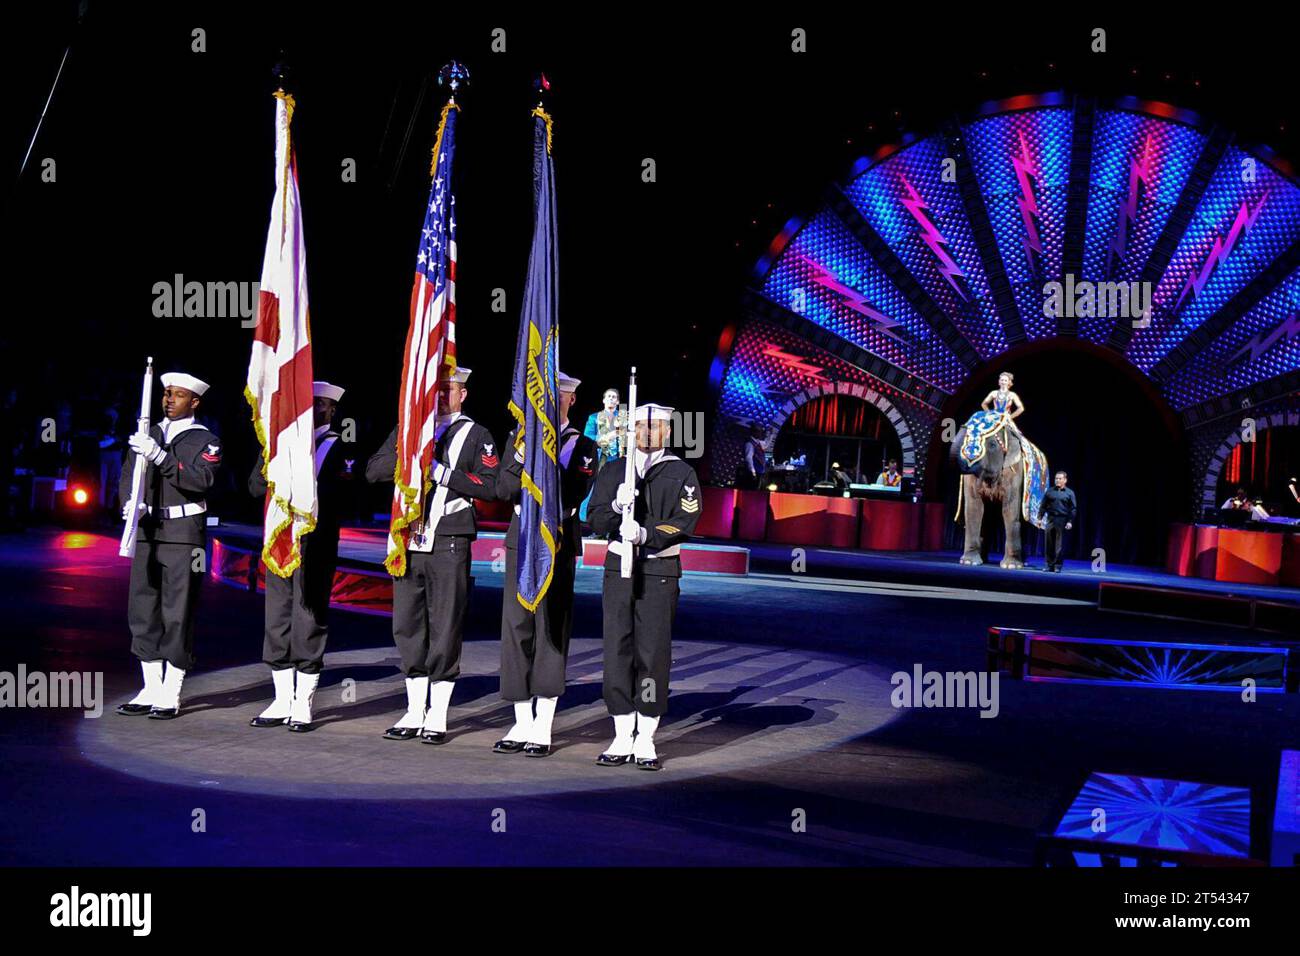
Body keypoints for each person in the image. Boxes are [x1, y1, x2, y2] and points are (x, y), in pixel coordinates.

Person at [365, 366, 498, 743]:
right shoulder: (410, 430)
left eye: (448, 390)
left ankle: (437, 713)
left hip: (449, 539)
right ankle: (413, 710)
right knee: (407, 623)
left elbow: (490, 488)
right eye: (435, 390)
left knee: (445, 622)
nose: (441, 396)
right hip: (409, 539)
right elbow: (373, 472)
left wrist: (440, 472)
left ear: (463, 394)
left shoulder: (477, 435)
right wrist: (409, 455)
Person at [587, 402, 702, 771]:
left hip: (657, 571)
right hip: (617, 571)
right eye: (639, 426)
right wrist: (615, 513)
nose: (646, 433)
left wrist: (646, 533)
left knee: (652, 654)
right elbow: (595, 517)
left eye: (654, 427)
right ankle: (621, 733)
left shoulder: (681, 472)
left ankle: (646, 737)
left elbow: (686, 520)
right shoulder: (614, 470)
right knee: (617, 650)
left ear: (667, 432)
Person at [493, 372, 597, 757]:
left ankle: (544, 724)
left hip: (555, 544)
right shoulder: (517, 440)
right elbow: (502, 489)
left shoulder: (583, 446)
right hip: (521, 544)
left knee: (550, 629)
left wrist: (541, 453)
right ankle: (520, 721)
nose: (552, 405)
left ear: (571, 401)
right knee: (517, 629)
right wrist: (523, 452)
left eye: (560, 398)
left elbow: (570, 492)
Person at [247, 381, 354, 733]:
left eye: (320, 405)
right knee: (277, 618)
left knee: (308, 618)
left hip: (316, 544)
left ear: (332, 410)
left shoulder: (339, 447)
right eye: (307, 403)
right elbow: (253, 486)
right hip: (281, 541)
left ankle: (303, 702)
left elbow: (350, 494)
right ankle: (280, 698)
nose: (312, 410)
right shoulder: (280, 445)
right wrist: (278, 463)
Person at [116, 372, 223, 719]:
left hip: (183, 534)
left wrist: (161, 457)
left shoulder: (206, 439)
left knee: (178, 611)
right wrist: (129, 505)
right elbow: (129, 474)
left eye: (177, 395)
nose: (168, 400)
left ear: (194, 402)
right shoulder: (150, 433)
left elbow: (201, 480)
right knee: (143, 609)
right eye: (166, 393)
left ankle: (171, 689)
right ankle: (150, 686)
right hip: (148, 528)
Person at [1036, 470, 1076, 573]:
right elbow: (1043, 506)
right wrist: (1039, 518)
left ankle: (1058, 565)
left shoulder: (1069, 493)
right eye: (1056, 478)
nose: (1057, 480)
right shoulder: (1050, 491)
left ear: (1065, 480)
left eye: (1060, 478)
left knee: (1059, 544)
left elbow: (1073, 509)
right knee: (1048, 543)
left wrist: (1070, 521)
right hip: (1050, 519)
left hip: (1062, 520)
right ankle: (1048, 565)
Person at [584, 388, 625, 469]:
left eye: (614, 397)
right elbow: (587, 437)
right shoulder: (594, 417)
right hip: (599, 457)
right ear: (604, 400)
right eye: (608, 396)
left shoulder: (623, 417)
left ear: (618, 401)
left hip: (618, 458)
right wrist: (605, 437)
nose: (611, 398)